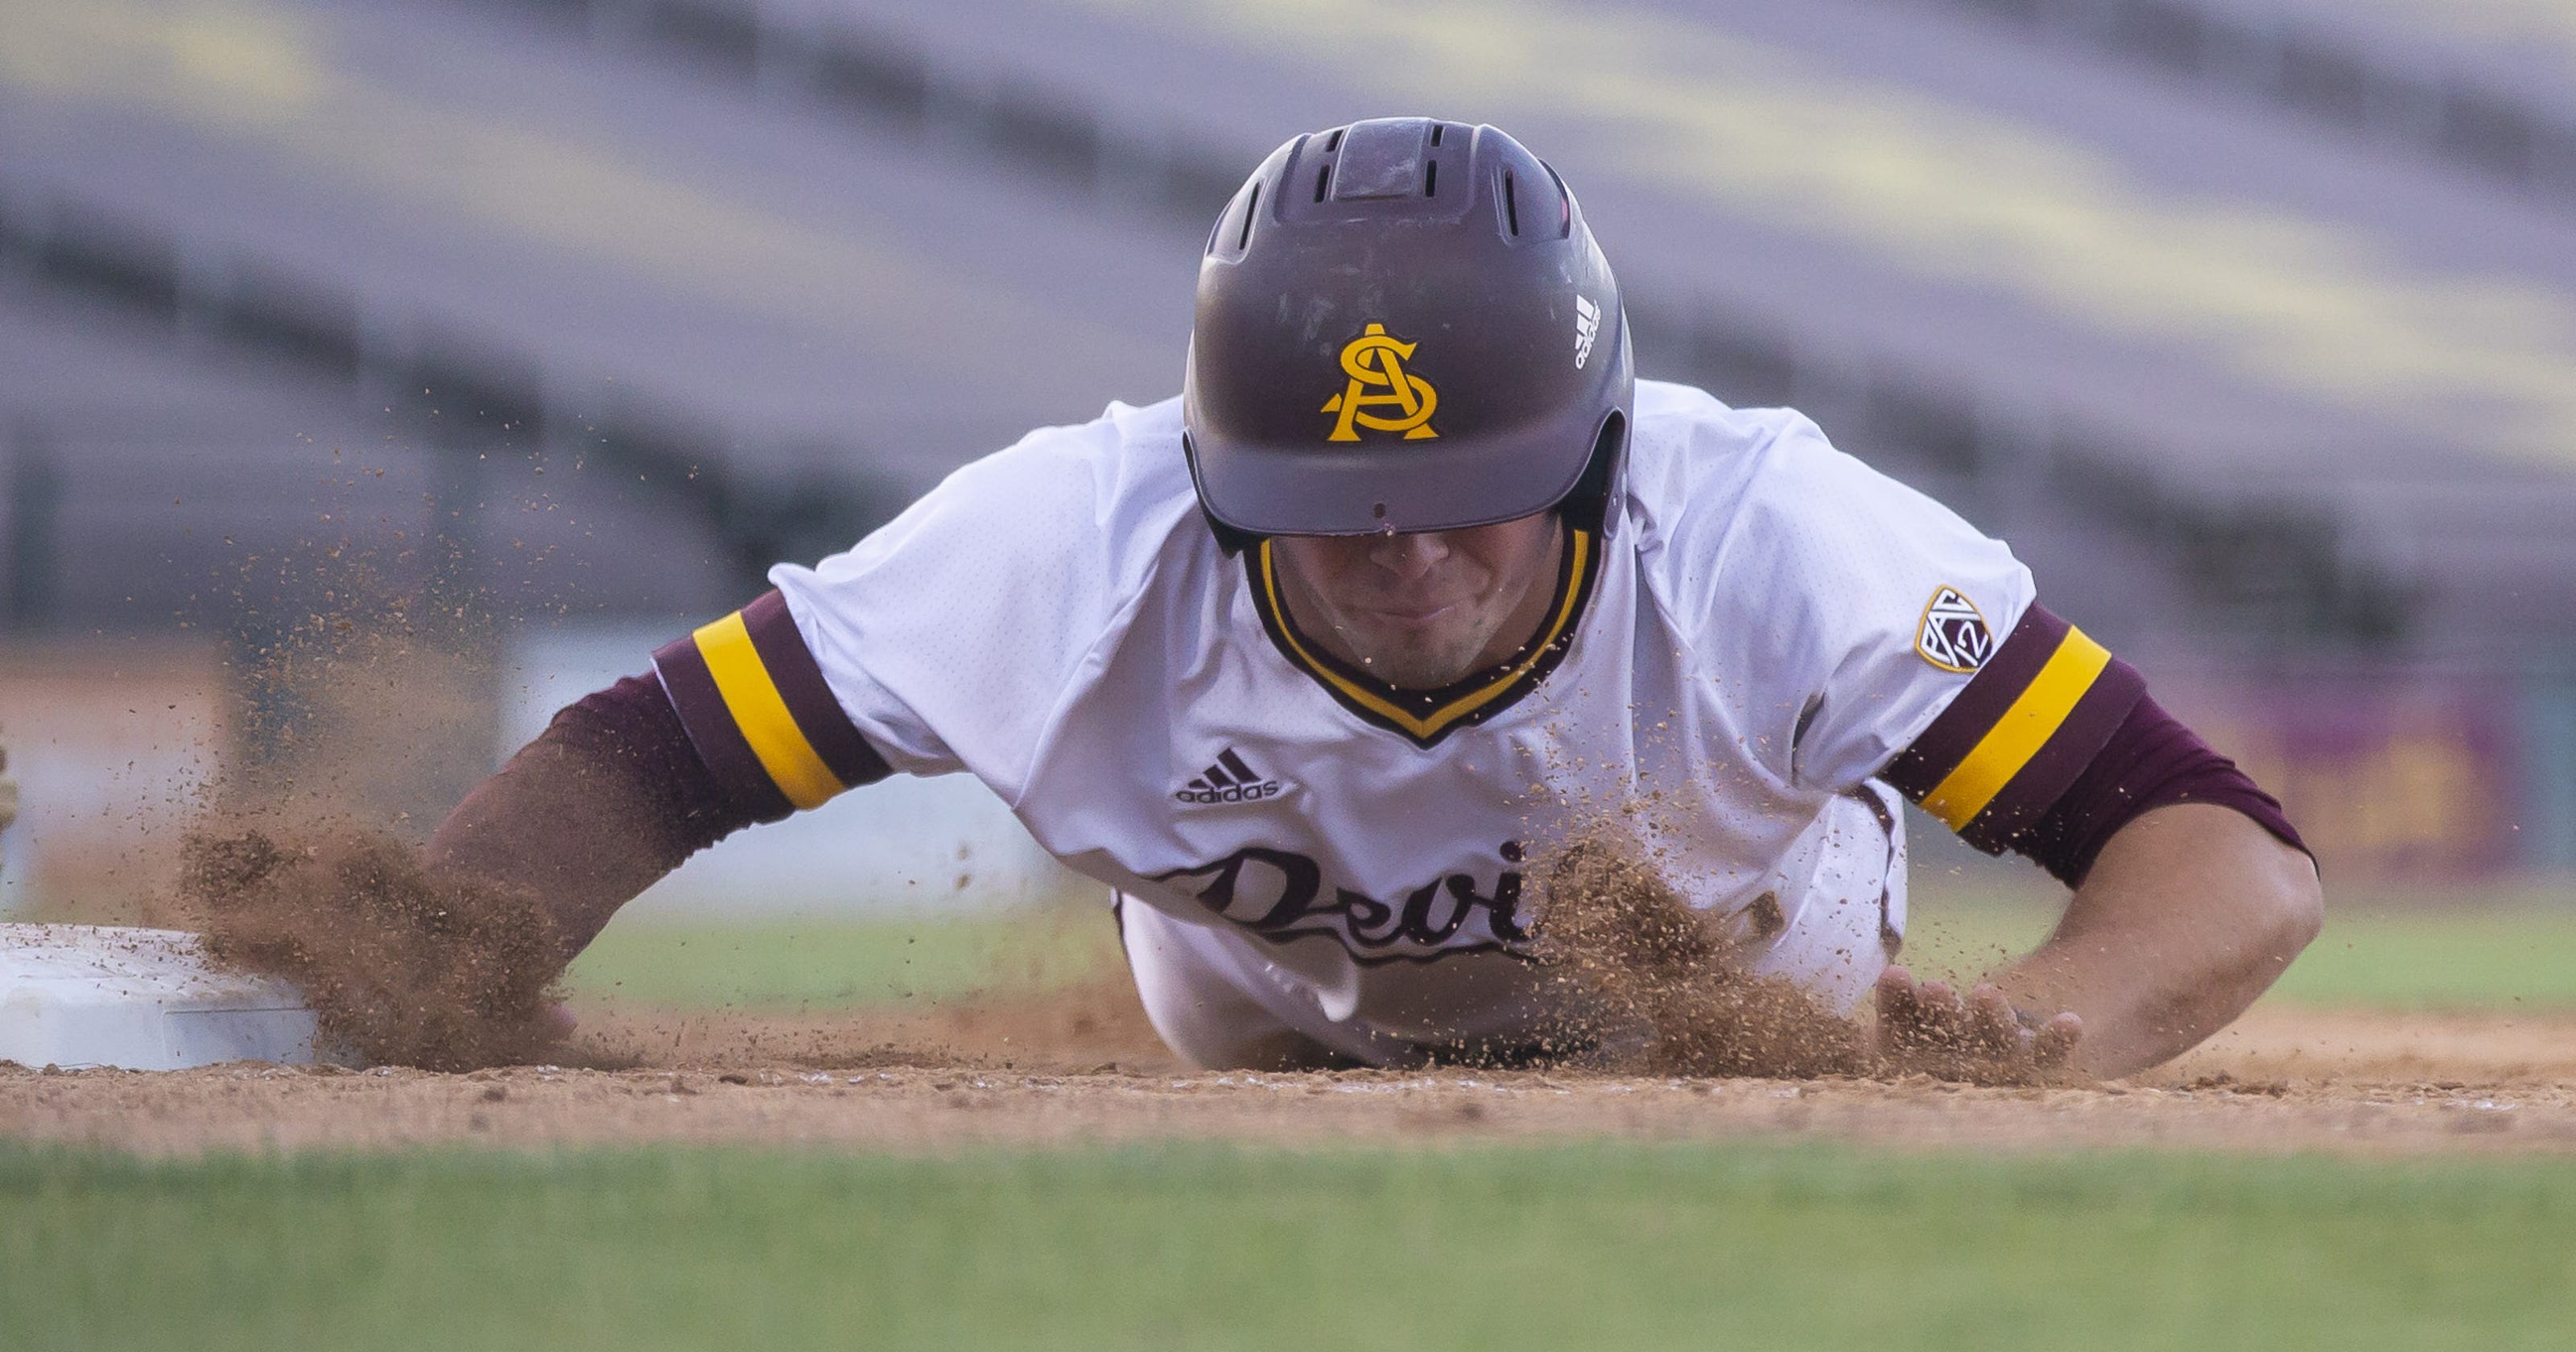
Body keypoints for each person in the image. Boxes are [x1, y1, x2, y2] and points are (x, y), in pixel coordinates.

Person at [428, 118, 2320, 1080]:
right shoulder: (1064, 548)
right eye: (1337, 511)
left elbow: (2225, 848)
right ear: (1217, 477)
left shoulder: (1772, 541)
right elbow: (659, 750)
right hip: (1251, 1002)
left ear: (1588, 455)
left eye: (1471, 498)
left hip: (1747, 989)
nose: (1410, 551)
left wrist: (2031, 1040)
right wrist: (433, 953)